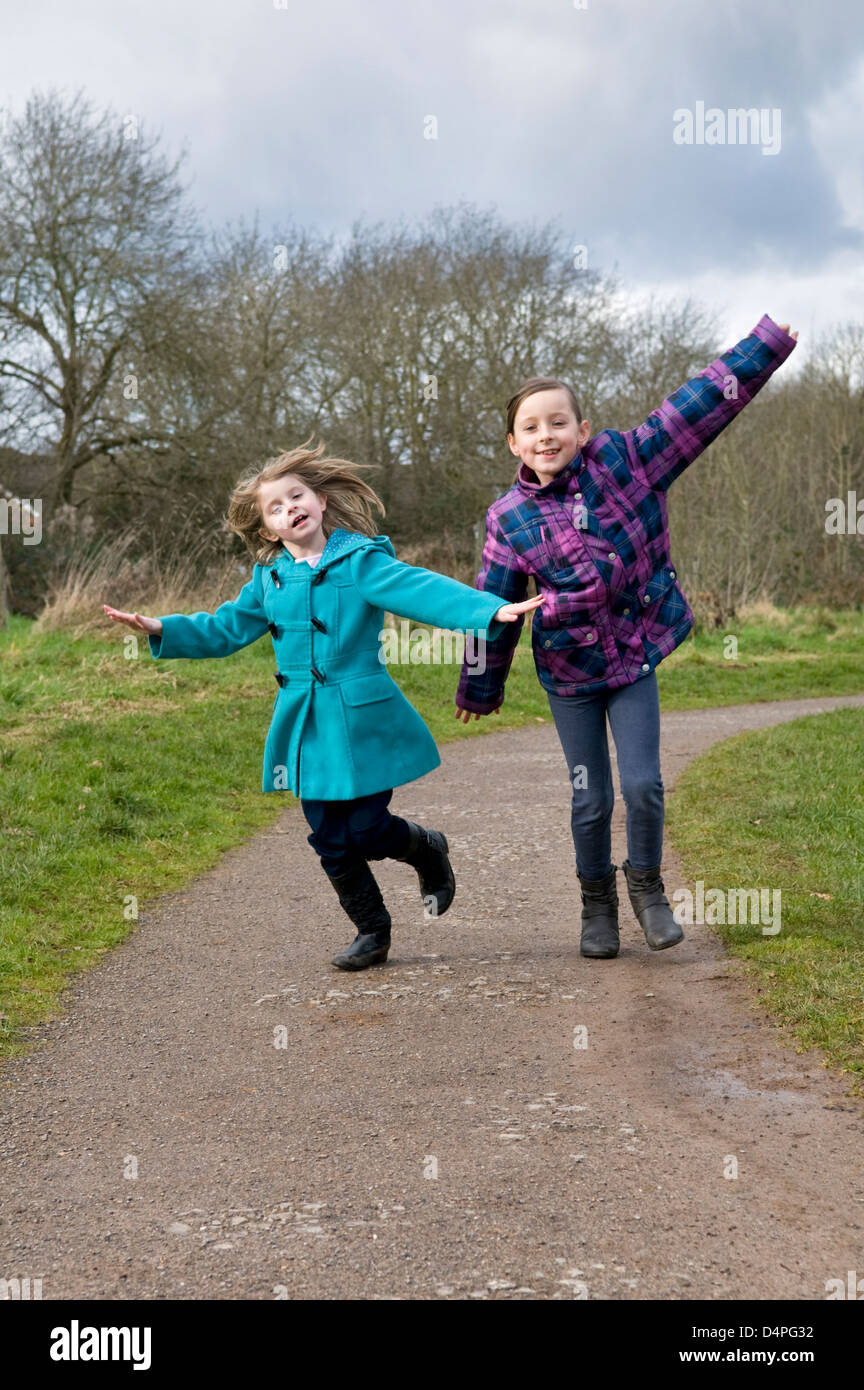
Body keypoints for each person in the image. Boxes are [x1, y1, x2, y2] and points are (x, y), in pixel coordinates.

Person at [104, 438, 540, 972]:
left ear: (321, 502)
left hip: (363, 718)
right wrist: (160, 627)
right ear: (268, 529)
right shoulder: (269, 581)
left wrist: (490, 610)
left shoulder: (360, 562)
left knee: (365, 828)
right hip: (304, 726)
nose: (291, 508)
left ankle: (425, 848)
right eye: (276, 506)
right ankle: (372, 931)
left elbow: (421, 590)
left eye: (297, 496)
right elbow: (223, 629)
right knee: (328, 835)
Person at [455, 315, 798, 959]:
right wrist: (481, 682)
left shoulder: (627, 463)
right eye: (531, 427)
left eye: (558, 422)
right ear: (513, 444)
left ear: (583, 431)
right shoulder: (509, 519)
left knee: (642, 784)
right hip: (571, 675)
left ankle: (648, 888)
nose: (546, 434)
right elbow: (495, 604)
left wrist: (766, 347)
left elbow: (693, 410)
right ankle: (596, 904)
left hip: (634, 658)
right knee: (591, 798)